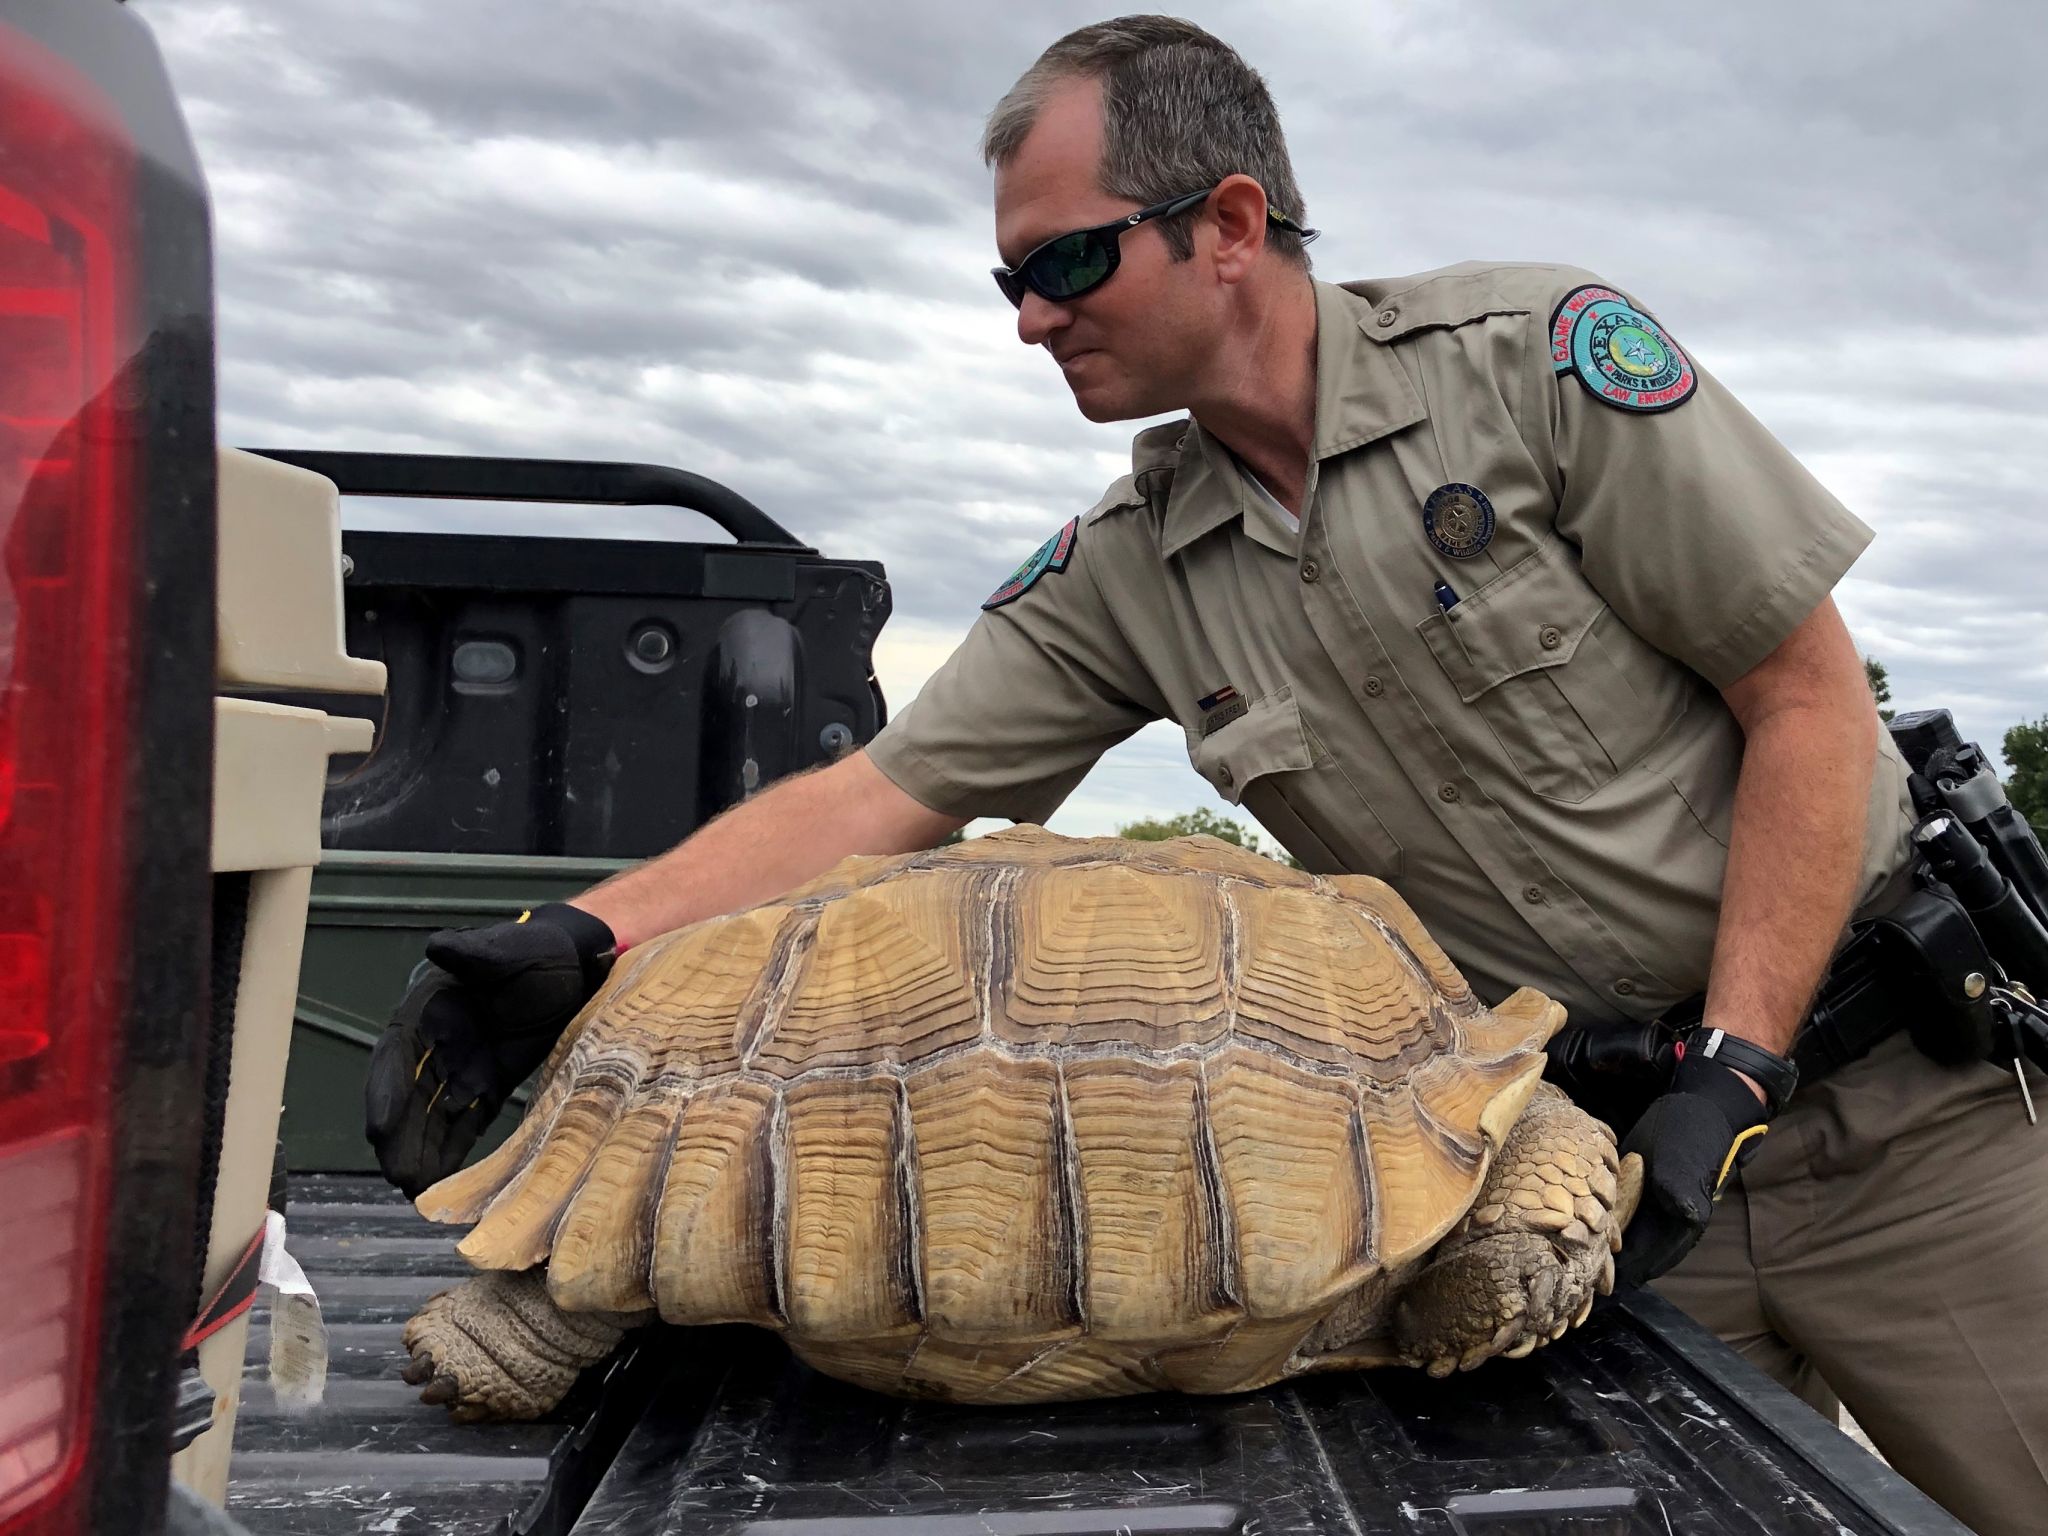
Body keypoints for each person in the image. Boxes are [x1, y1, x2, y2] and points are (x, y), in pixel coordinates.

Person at [364, 17, 2046, 1533]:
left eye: (1067, 262)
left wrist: (1734, 1064)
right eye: (1009, 282)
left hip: (1898, 1120)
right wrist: (581, 938)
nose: (1032, 317)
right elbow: (883, 794)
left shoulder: (1535, 369)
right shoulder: (1133, 568)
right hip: (1572, 1186)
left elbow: (1805, 696)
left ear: (1229, 225)